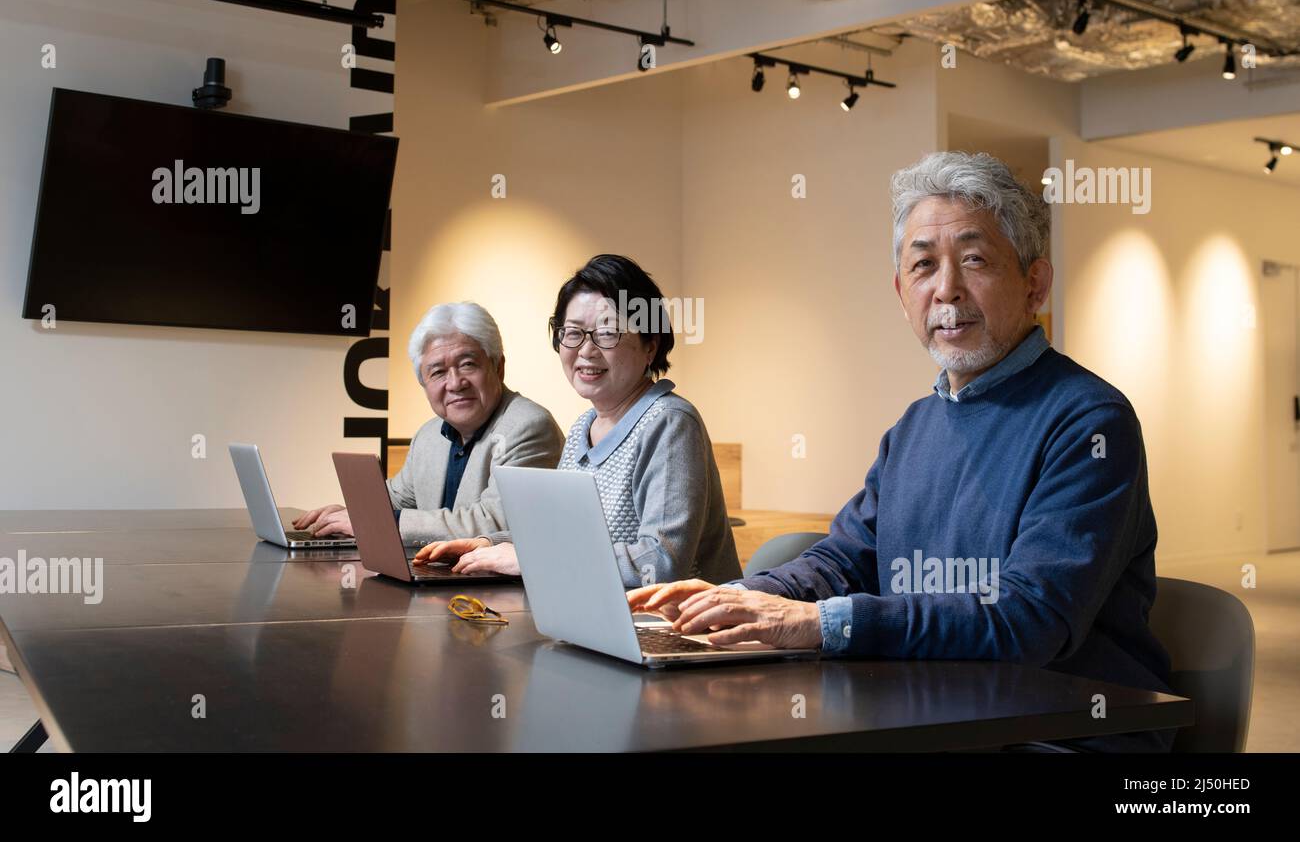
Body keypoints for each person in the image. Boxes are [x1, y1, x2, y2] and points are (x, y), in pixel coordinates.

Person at [629, 151, 1176, 753]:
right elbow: (843, 561)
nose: (946, 289)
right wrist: (737, 597)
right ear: (900, 291)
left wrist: (824, 624)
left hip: (1063, 733)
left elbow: (1031, 620)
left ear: (1035, 283)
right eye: (923, 266)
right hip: (933, 714)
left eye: (974, 259)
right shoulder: (916, 425)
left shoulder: (1090, 421)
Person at [418, 255, 741, 587]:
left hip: (678, 628)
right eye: (572, 333)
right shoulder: (583, 426)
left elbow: (660, 562)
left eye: (608, 332)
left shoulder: (669, 423)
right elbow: (560, 532)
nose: (586, 350)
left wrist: (531, 559)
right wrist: (492, 543)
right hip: (601, 616)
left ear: (650, 345)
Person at [293, 301, 564, 544]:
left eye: (468, 364)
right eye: (438, 372)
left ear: (498, 367)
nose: (455, 383)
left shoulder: (528, 427)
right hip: (434, 582)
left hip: (495, 594)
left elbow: (495, 523)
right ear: (423, 383)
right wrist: (347, 514)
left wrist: (381, 523)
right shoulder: (429, 435)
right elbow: (398, 498)